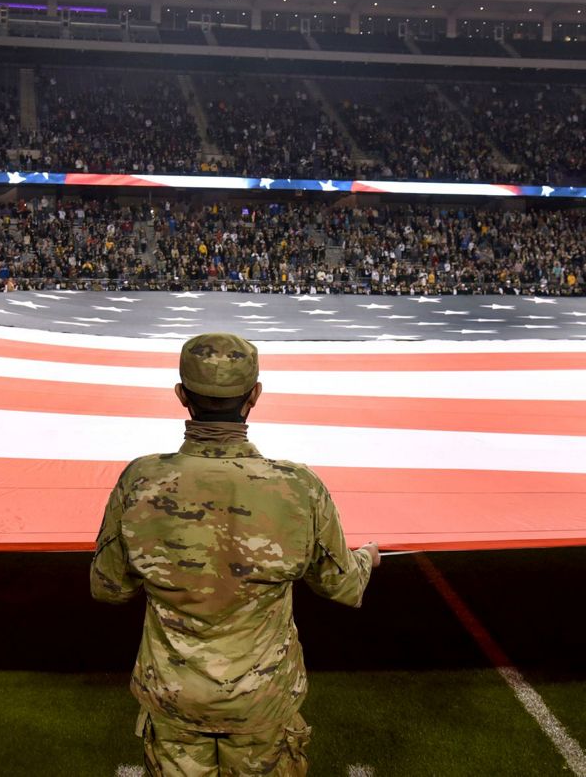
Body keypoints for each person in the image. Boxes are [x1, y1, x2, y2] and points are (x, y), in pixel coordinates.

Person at [91, 333, 380, 776]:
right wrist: (366, 558)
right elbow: (342, 586)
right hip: (261, 701)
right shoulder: (298, 487)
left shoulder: (140, 480)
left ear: (181, 395)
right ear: (255, 395)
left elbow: (108, 587)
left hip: (175, 698)